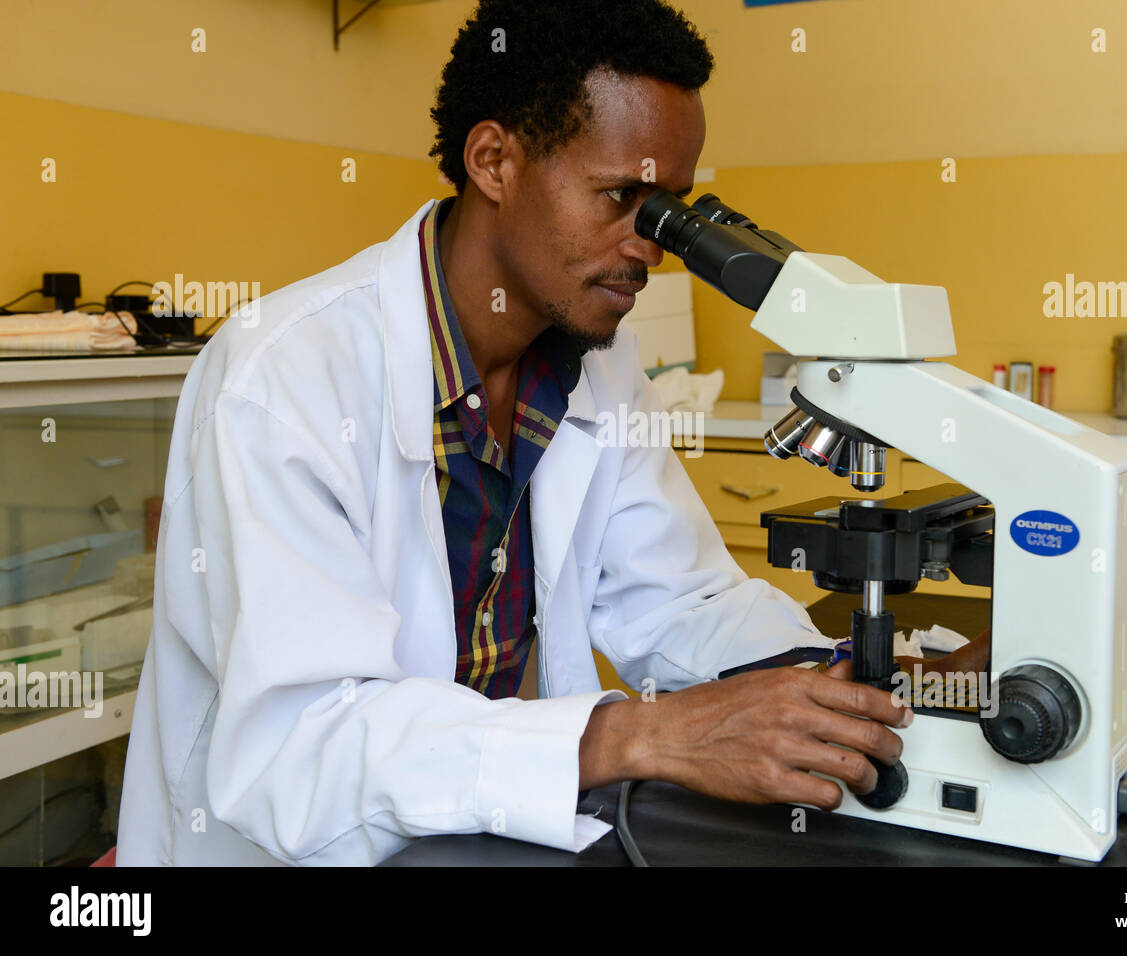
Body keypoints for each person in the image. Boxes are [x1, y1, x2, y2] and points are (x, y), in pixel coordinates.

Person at [116, 0, 909, 866]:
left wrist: (853, 686)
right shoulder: (284, 376)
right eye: (622, 197)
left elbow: (680, 601)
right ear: (494, 160)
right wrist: (636, 736)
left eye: (670, 210)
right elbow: (306, 745)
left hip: (465, 839)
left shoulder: (595, 363)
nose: (651, 246)